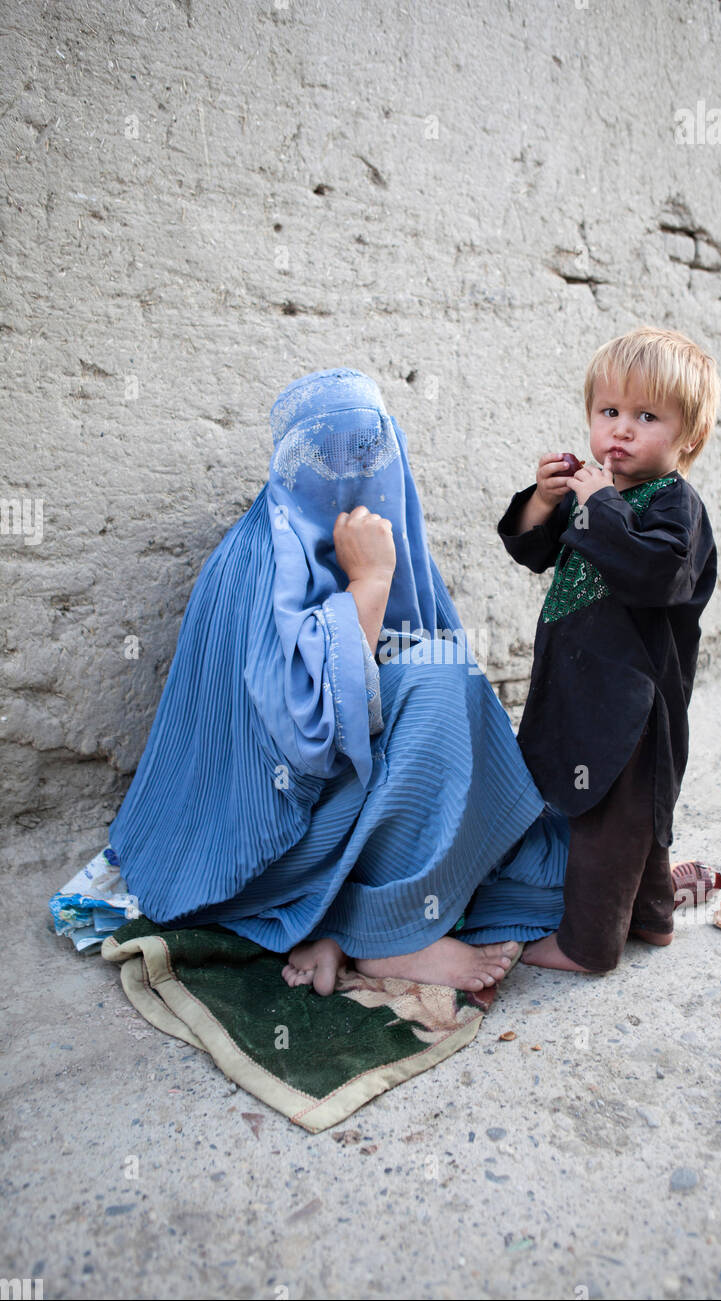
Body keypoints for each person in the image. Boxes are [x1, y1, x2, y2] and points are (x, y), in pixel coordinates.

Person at [98, 368, 574, 995]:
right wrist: (369, 584)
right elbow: (311, 746)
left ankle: (342, 924)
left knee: (444, 675)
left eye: (368, 450)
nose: (348, 472)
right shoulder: (257, 565)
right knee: (436, 680)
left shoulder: (393, 540)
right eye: (321, 455)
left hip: (335, 813)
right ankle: (392, 936)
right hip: (261, 847)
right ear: (285, 462)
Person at [496, 326, 719, 975]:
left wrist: (598, 506)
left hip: (634, 701)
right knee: (633, 817)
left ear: (688, 439)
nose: (620, 430)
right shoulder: (599, 495)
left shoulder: (677, 506)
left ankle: (586, 945)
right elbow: (532, 551)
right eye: (609, 412)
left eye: (646, 416)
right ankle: (652, 918)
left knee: (608, 820)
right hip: (580, 689)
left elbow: (656, 574)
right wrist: (544, 500)